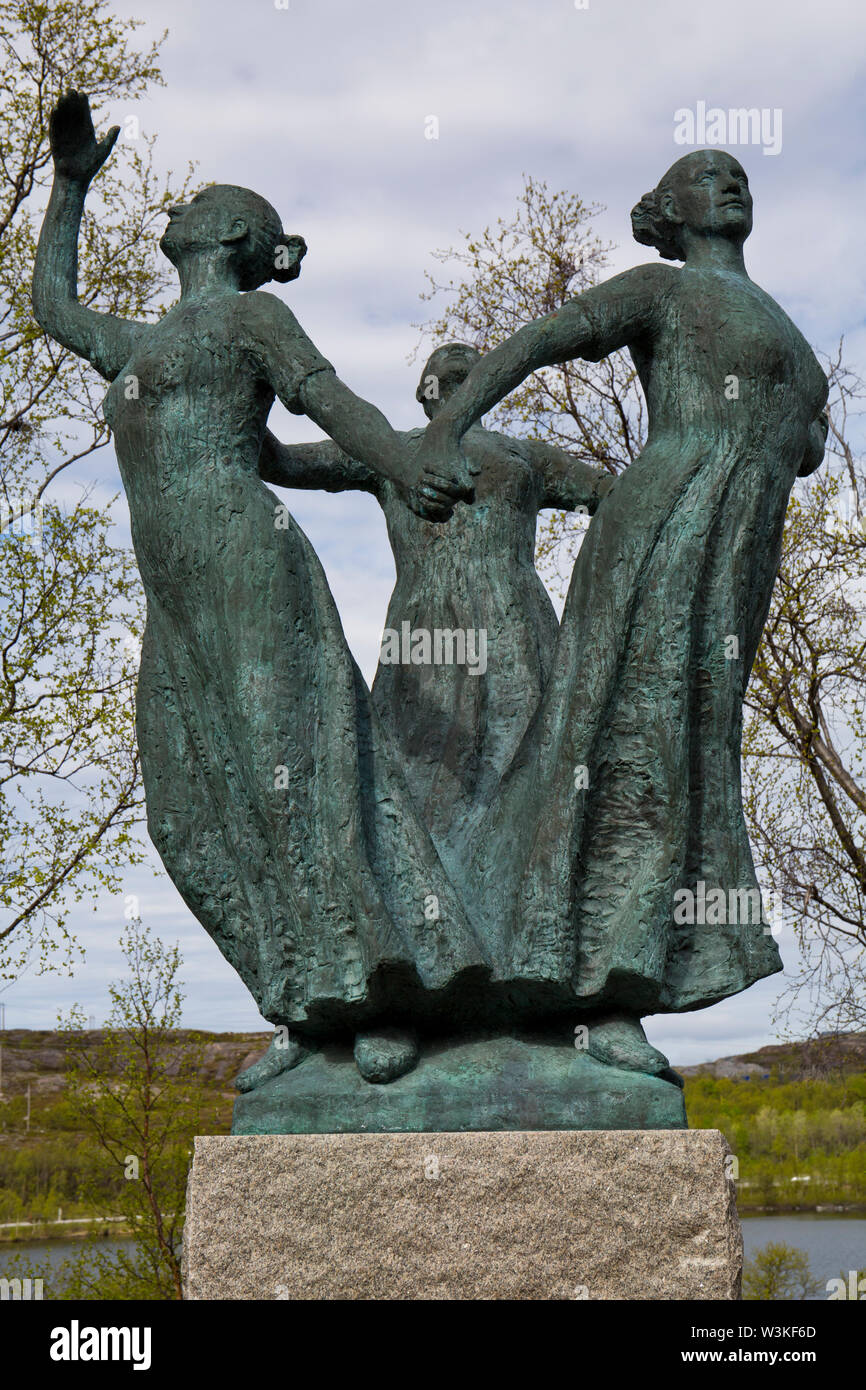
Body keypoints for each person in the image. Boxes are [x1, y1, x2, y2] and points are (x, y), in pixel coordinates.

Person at [33, 91, 483, 1087]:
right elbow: (51, 310)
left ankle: (369, 993)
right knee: (185, 806)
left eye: (189, 205)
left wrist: (400, 466)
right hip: (177, 595)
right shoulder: (144, 346)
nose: (171, 214)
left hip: (250, 566)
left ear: (231, 232)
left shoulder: (252, 317)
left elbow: (329, 401)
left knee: (298, 783)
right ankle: (295, 991)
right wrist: (68, 189)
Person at [414, 150, 829, 1077]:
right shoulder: (662, 290)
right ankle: (597, 993)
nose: (730, 183)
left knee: (687, 752)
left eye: (738, 174)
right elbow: (535, 342)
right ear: (670, 212)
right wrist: (448, 428)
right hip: (662, 526)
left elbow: (798, 448)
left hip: (735, 557)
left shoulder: (792, 333)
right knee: (627, 749)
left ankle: (610, 975)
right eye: (705, 175)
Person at [258, 341, 614, 880]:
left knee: (524, 750)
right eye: (440, 369)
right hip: (423, 630)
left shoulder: (527, 456)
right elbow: (281, 462)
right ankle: (429, 894)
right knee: (417, 761)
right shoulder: (388, 451)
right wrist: (242, 387)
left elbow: (609, 495)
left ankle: (519, 881)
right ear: (422, 392)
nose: (454, 366)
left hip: (515, 620)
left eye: (471, 369)